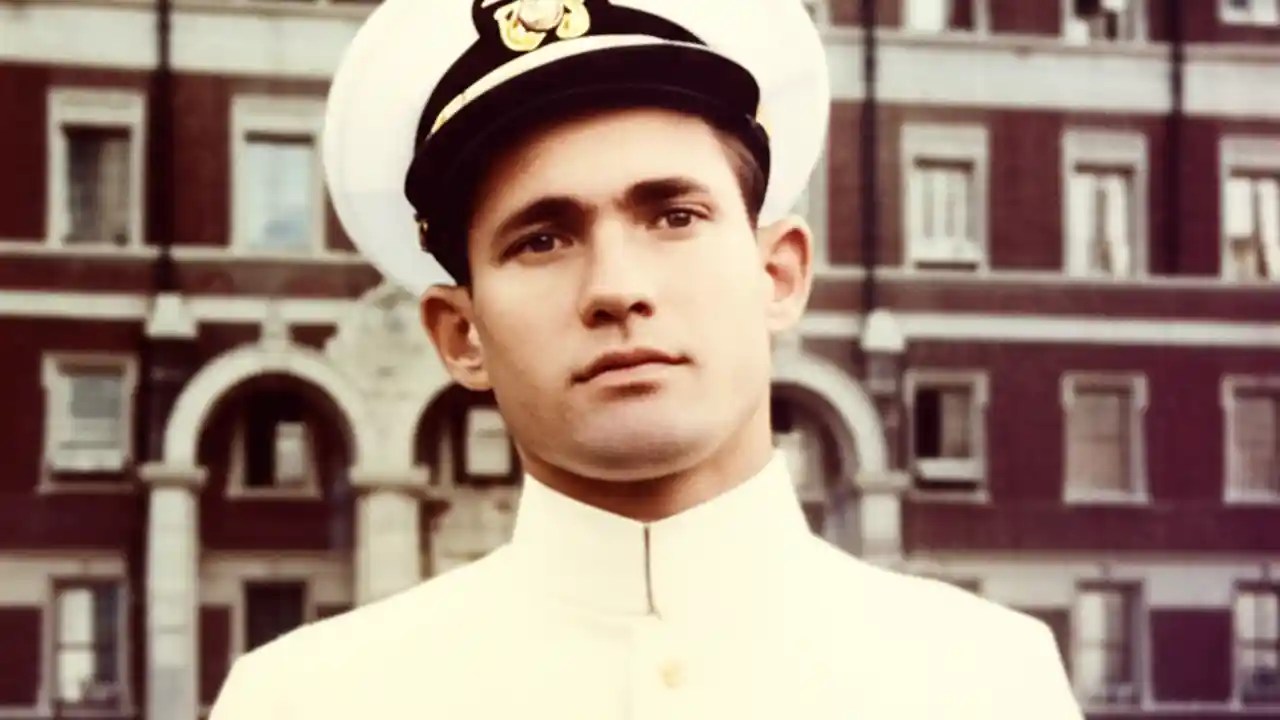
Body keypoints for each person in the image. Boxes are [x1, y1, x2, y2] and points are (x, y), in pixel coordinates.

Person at [210, 0, 1085, 717]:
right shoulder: (303, 699)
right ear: (459, 334)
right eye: (542, 238)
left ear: (778, 274)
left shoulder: (986, 682)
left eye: (675, 216)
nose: (615, 288)